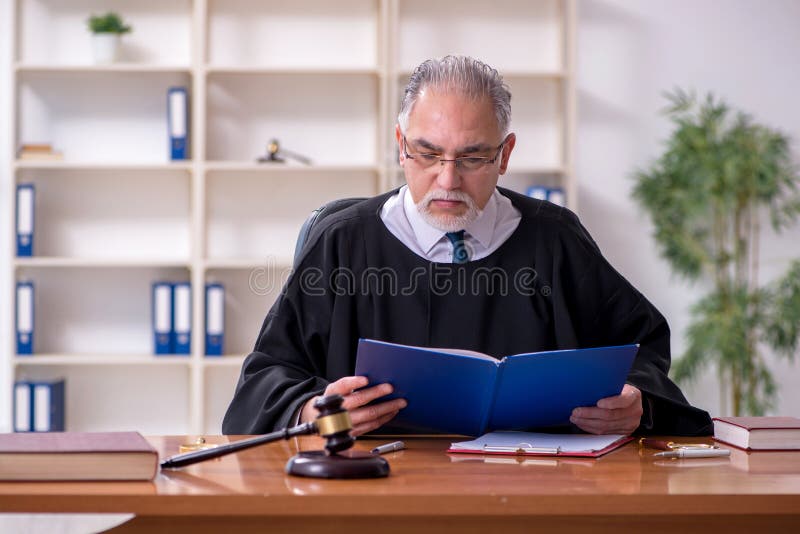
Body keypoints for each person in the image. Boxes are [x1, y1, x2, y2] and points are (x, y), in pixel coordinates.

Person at [222, 55, 712, 437]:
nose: (448, 179)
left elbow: (640, 349)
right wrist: (316, 409)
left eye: (473, 157)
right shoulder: (343, 243)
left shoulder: (555, 240)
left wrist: (636, 405)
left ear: (506, 155)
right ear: (400, 146)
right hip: (373, 489)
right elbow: (266, 379)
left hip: (532, 494)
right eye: (428, 153)